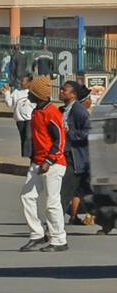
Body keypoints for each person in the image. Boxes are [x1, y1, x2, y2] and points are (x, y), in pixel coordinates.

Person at [19, 76, 67, 252]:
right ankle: (37, 234)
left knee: (52, 202)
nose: (28, 95)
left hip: (53, 164)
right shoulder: (36, 111)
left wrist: (49, 161)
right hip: (37, 162)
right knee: (27, 196)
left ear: (39, 95)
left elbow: (60, 141)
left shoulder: (52, 113)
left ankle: (59, 239)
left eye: (31, 92)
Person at [60, 80, 92, 226]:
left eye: (64, 90)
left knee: (64, 193)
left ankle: (55, 226)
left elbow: (88, 131)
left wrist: (71, 133)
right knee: (79, 191)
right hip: (67, 156)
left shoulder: (78, 110)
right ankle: (73, 217)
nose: (61, 92)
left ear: (73, 94)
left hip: (76, 158)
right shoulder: (63, 109)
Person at [3, 73, 34, 158]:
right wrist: (7, 93)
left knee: (28, 137)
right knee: (23, 137)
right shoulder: (17, 92)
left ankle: (29, 155)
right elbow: (9, 103)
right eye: (21, 81)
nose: (21, 83)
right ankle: (24, 155)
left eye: (23, 81)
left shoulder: (33, 92)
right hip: (19, 119)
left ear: (29, 82)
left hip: (30, 118)